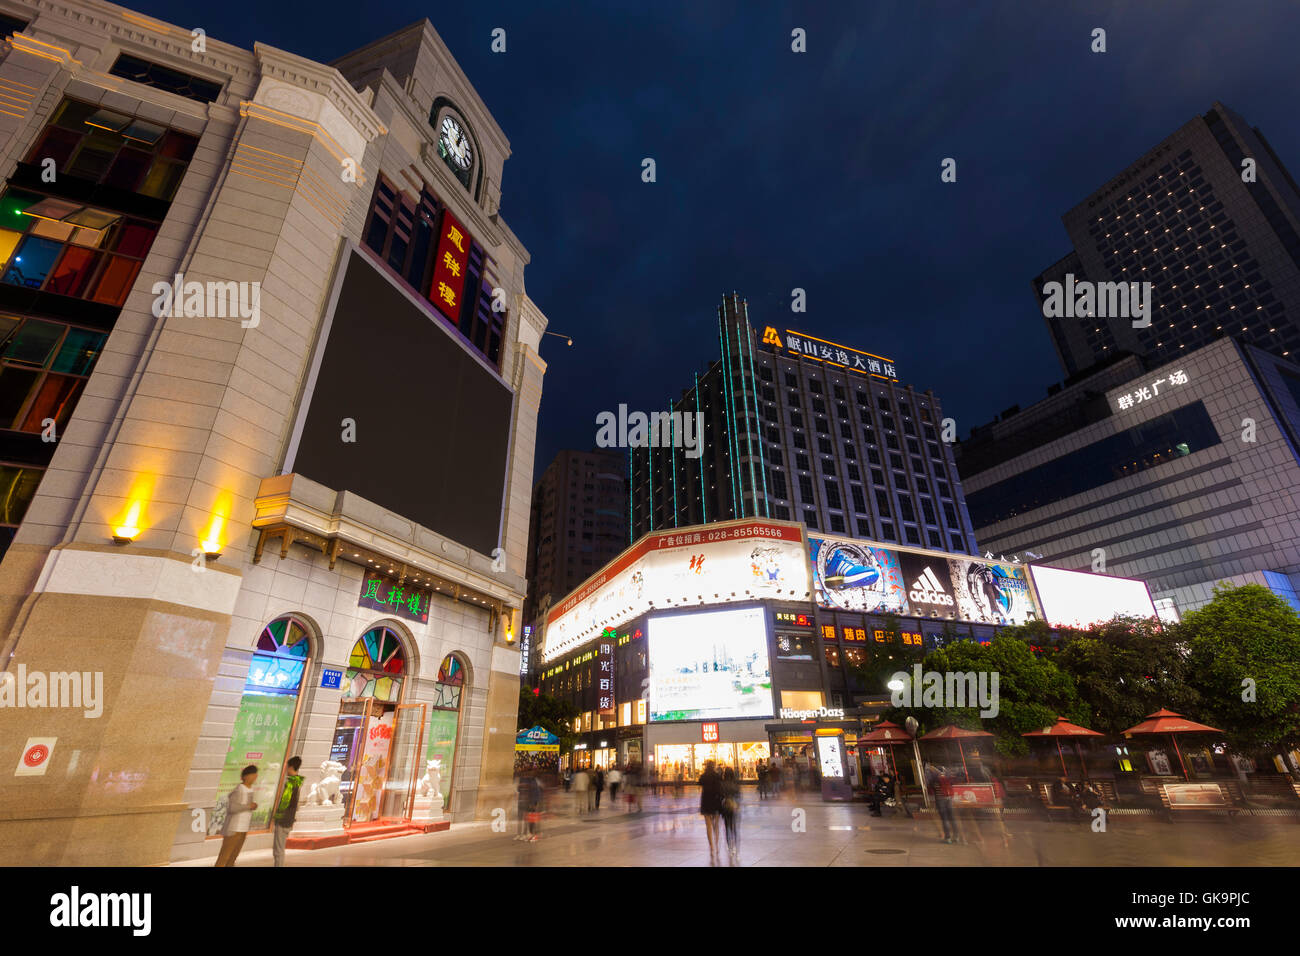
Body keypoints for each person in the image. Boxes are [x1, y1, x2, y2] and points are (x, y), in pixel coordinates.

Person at [215, 765, 258, 867]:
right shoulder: (239, 789)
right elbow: (232, 807)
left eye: (256, 774)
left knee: (233, 857)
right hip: (234, 828)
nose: (255, 776)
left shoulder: (250, 789)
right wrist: (248, 806)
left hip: (243, 828)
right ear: (246, 776)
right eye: (253, 774)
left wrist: (251, 806)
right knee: (225, 856)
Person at [272, 756, 304, 867]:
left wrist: (277, 816)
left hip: (283, 820)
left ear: (290, 767)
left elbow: (285, 802)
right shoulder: (297, 782)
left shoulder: (291, 783)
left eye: (287, 767)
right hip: (289, 819)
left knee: (278, 849)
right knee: (280, 847)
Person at [698, 760, 724, 862]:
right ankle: (717, 845)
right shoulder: (717, 776)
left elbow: (699, 783)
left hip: (706, 802)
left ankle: (711, 847)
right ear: (713, 766)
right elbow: (720, 788)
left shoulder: (703, 776)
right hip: (716, 802)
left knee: (708, 825)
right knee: (716, 825)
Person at [926, 764, 957, 844]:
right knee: (952, 817)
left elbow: (931, 791)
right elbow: (952, 783)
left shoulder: (934, 779)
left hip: (940, 799)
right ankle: (956, 837)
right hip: (949, 798)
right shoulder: (947, 777)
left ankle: (948, 838)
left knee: (945, 819)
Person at [720, 766, 741, 863]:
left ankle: (729, 847)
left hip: (725, 807)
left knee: (727, 827)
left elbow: (720, 796)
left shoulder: (722, 784)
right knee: (734, 827)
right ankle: (735, 846)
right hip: (734, 806)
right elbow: (739, 796)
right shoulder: (735, 783)